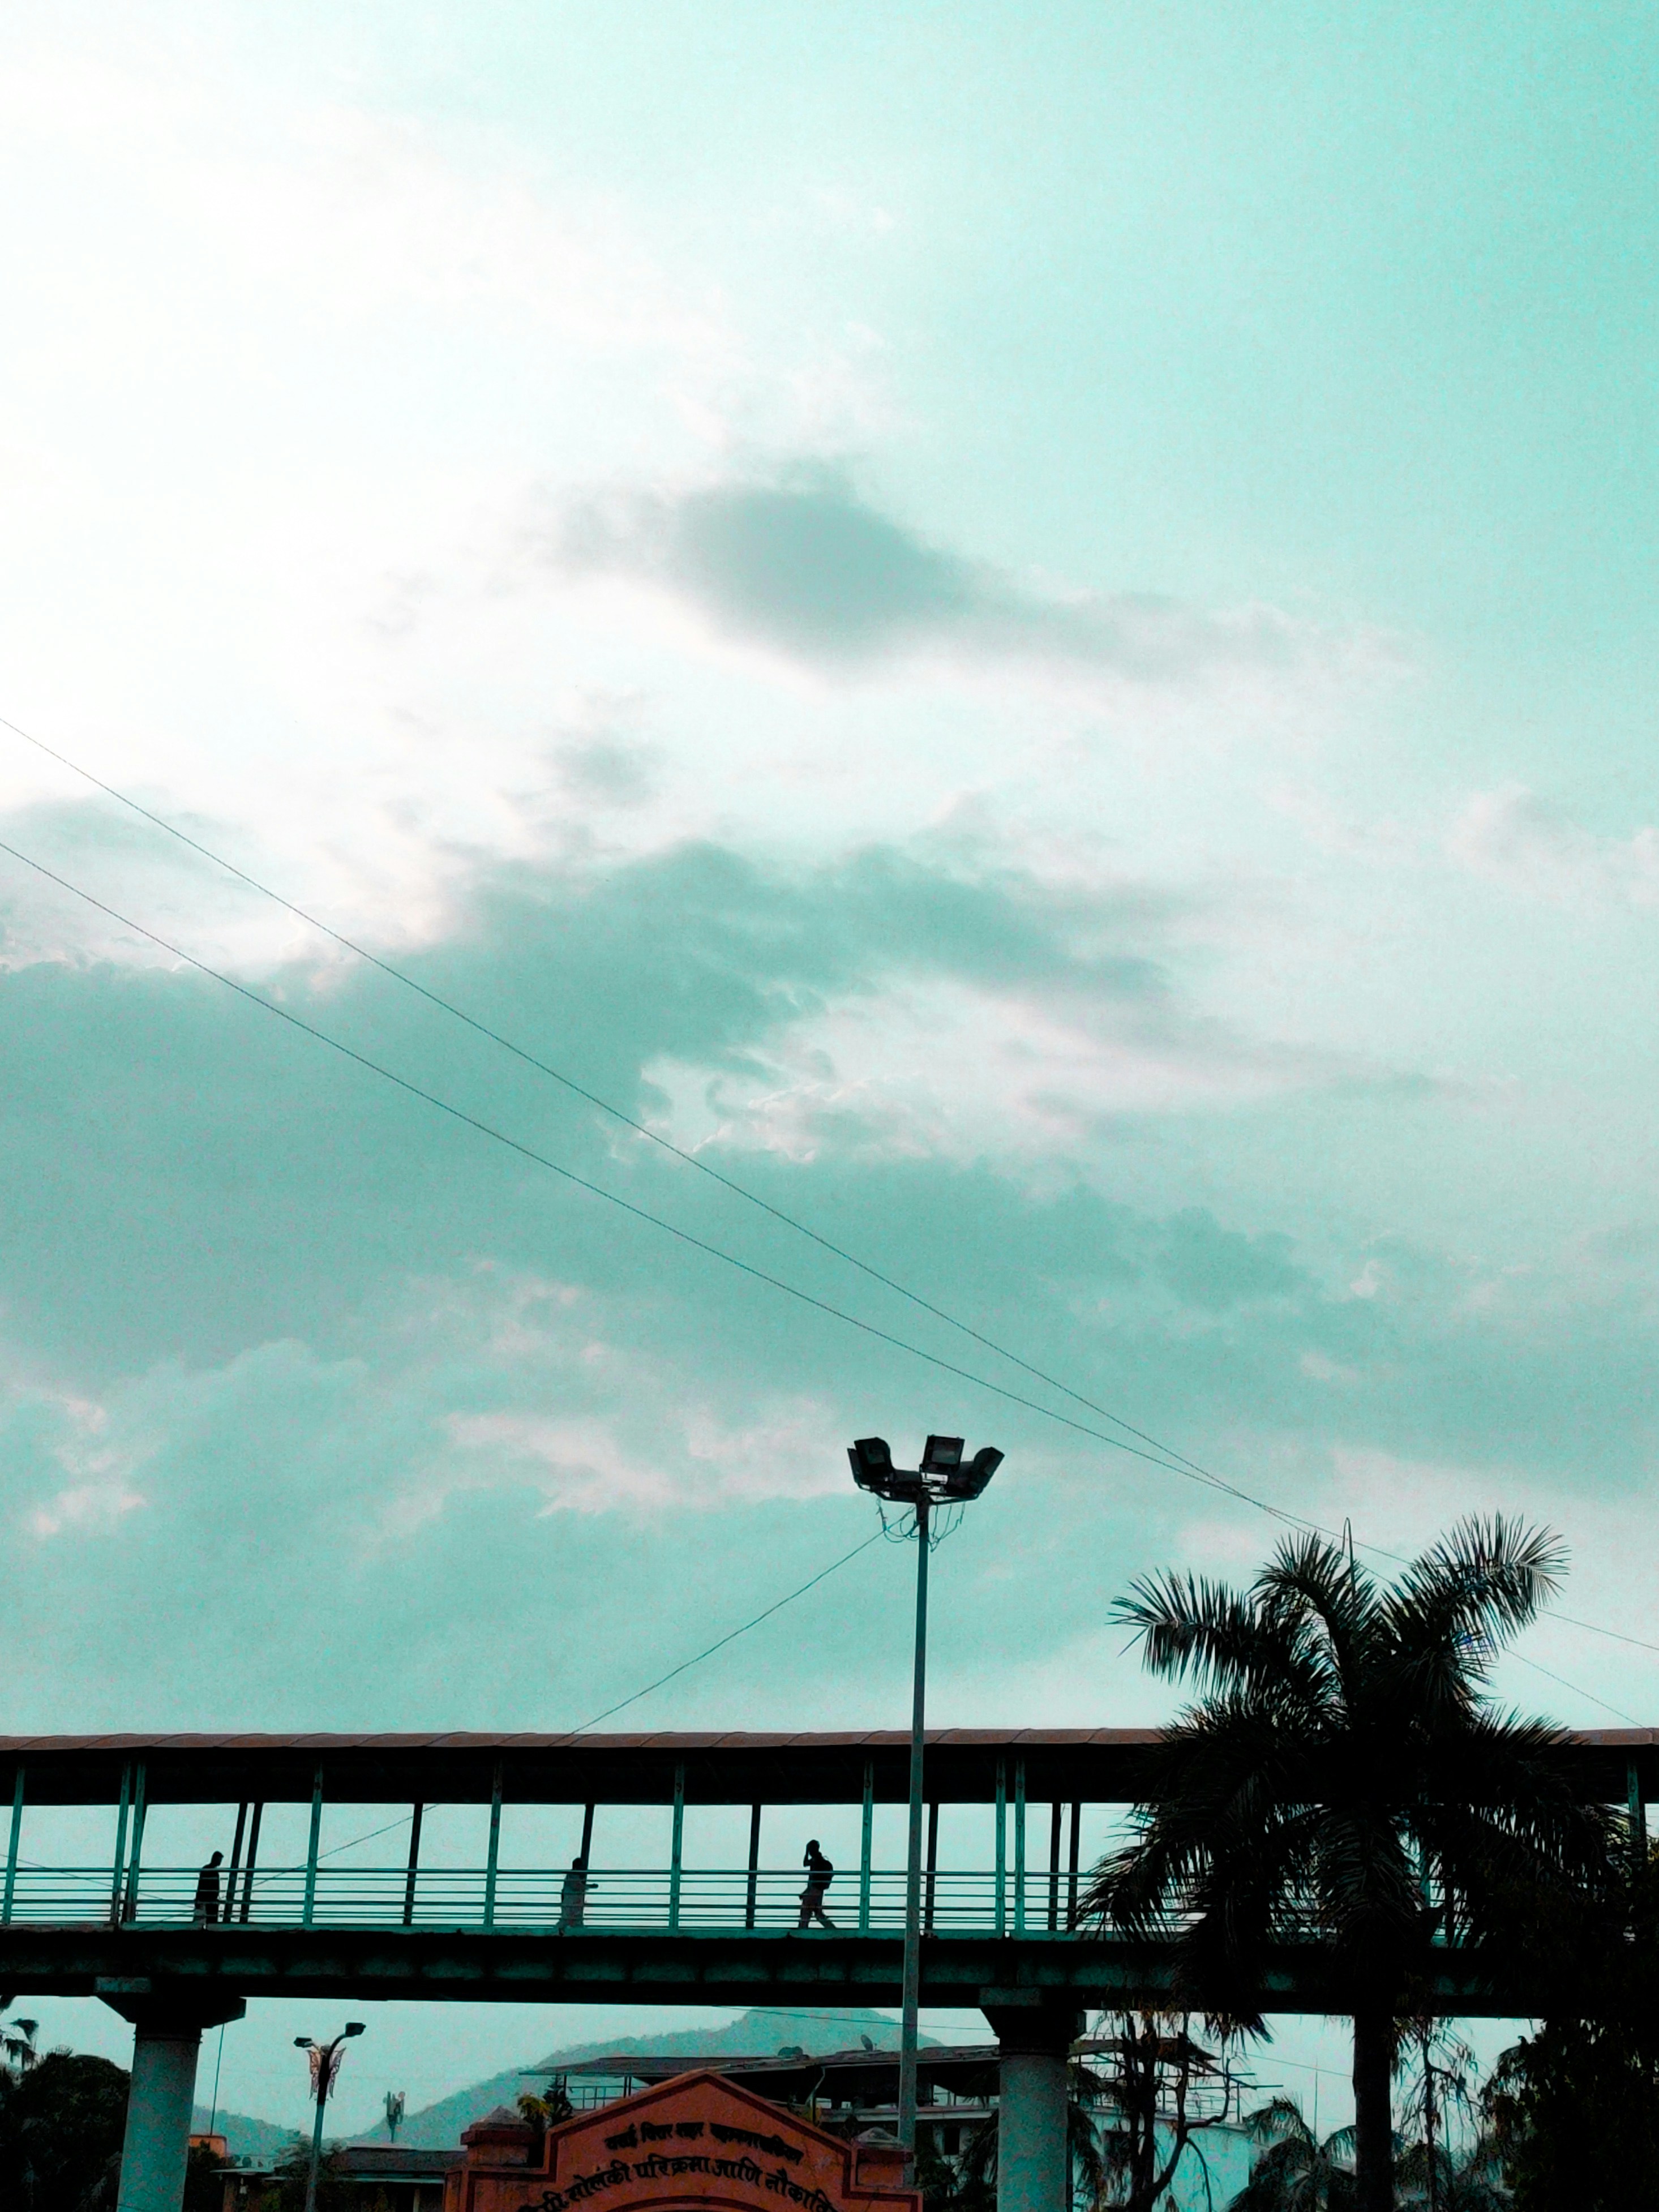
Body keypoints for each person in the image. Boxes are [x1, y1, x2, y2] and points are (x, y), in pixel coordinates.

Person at [798, 1840, 834, 1929]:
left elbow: (805, 1864)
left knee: (805, 1912)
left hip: (814, 1890)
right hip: (819, 1891)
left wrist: (806, 1852)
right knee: (818, 1914)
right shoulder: (821, 1860)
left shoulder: (815, 1861)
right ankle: (834, 1931)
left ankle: (801, 1933)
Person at [194, 1850, 224, 1926]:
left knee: (209, 1919)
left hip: (210, 1898)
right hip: (208, 1898)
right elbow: (202, 1884)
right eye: (219, 1860)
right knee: (210, 1920)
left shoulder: (210, 1870)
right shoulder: (209, 1870)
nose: (220, 1862)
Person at [559, 1855, 590, 1930]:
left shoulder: (571, 1876)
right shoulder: (572, 1876)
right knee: (570, 1920)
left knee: (573, 1919)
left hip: (573, 1903)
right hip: (571, 1903)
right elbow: (577, 1886)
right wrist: (589, 1887)